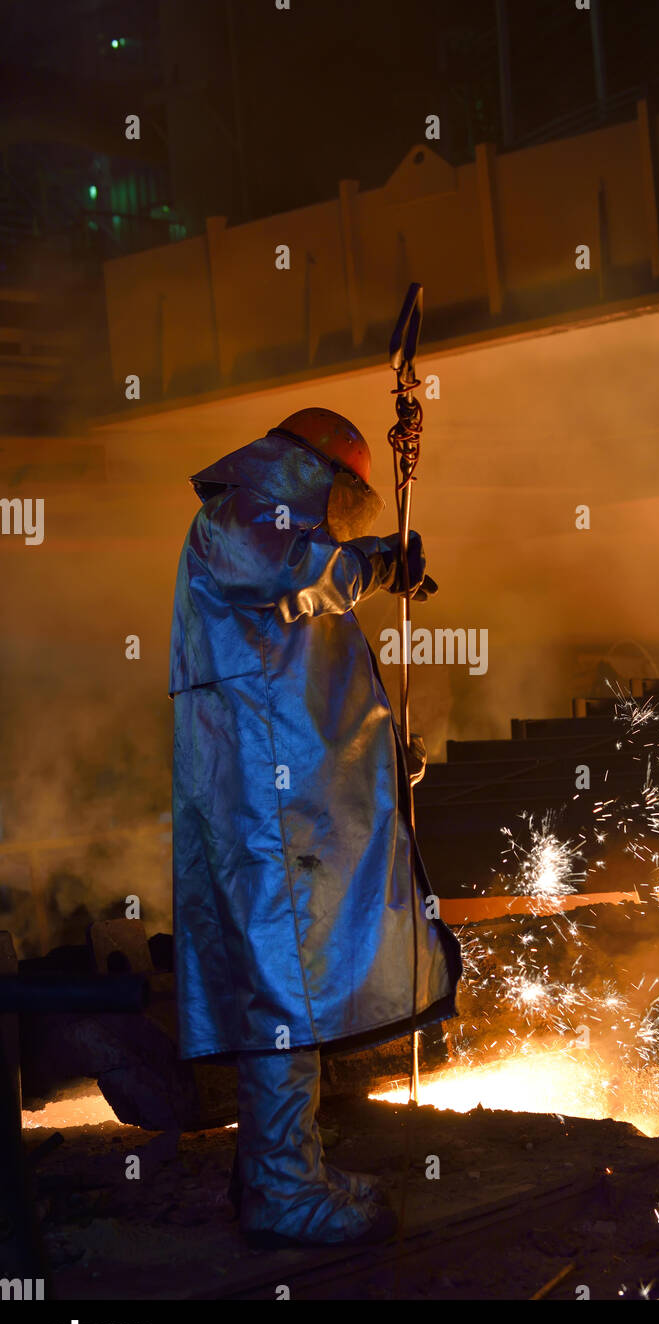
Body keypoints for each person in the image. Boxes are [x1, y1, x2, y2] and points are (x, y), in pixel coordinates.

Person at [169, 406, 461, 1247]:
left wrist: (383, 760)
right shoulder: (242, 518)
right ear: (314, 476)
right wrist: (377, 562)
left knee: (285, 981)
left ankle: (273, 1172)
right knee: (282, 989)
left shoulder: (278, 536)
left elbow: (311, 703)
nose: (343, 525)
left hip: (280, 804)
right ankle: (283, 1193)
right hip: (265, 812)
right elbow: (298, 577)